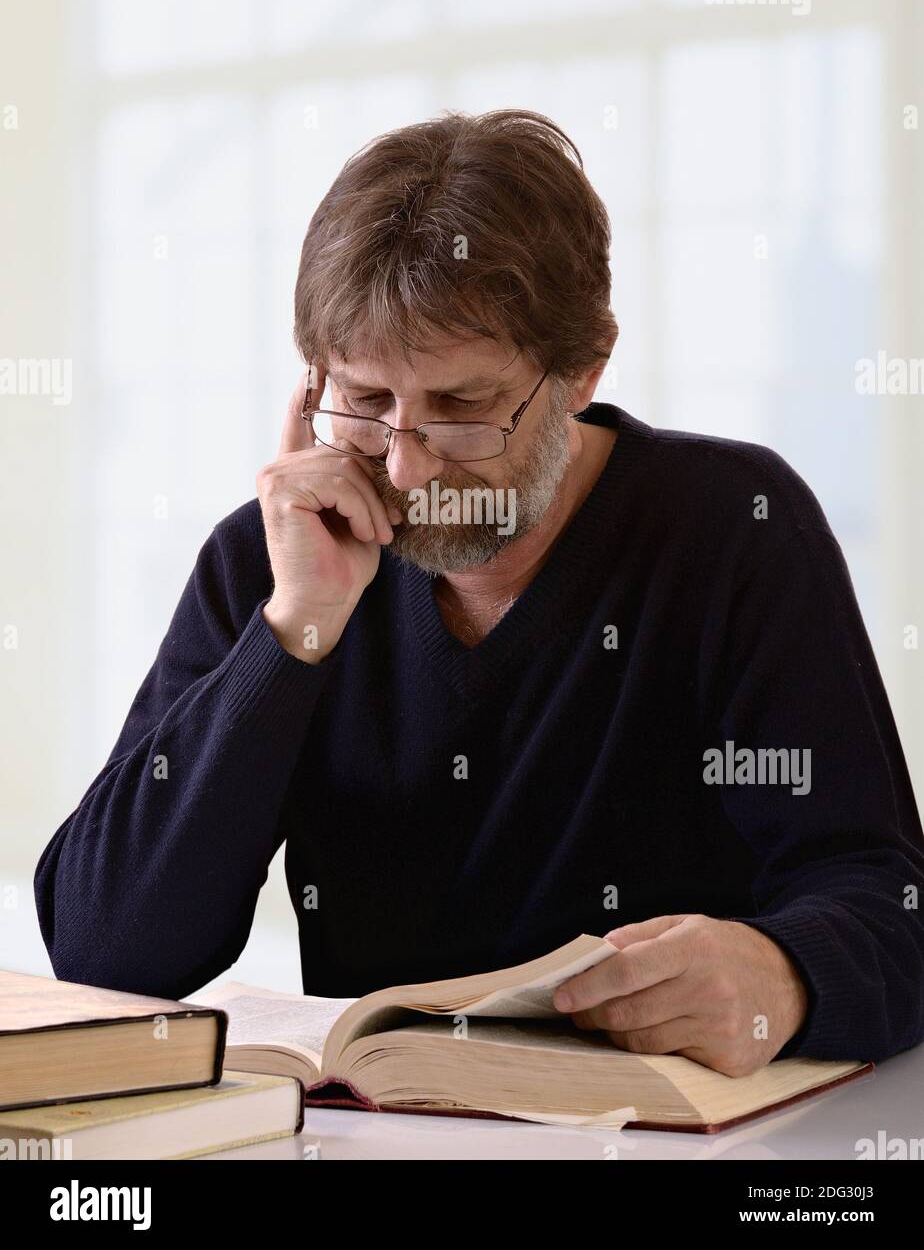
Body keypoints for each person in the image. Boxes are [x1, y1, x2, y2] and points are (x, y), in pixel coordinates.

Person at [35, 109, 924, 1076]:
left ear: (582, 368)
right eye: (367, 403)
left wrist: (786, 973)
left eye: (463, 408)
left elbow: (887, 902)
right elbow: (104, 951)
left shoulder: (734, 529)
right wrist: (294, 633)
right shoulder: (274, 562)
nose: (407, 466)